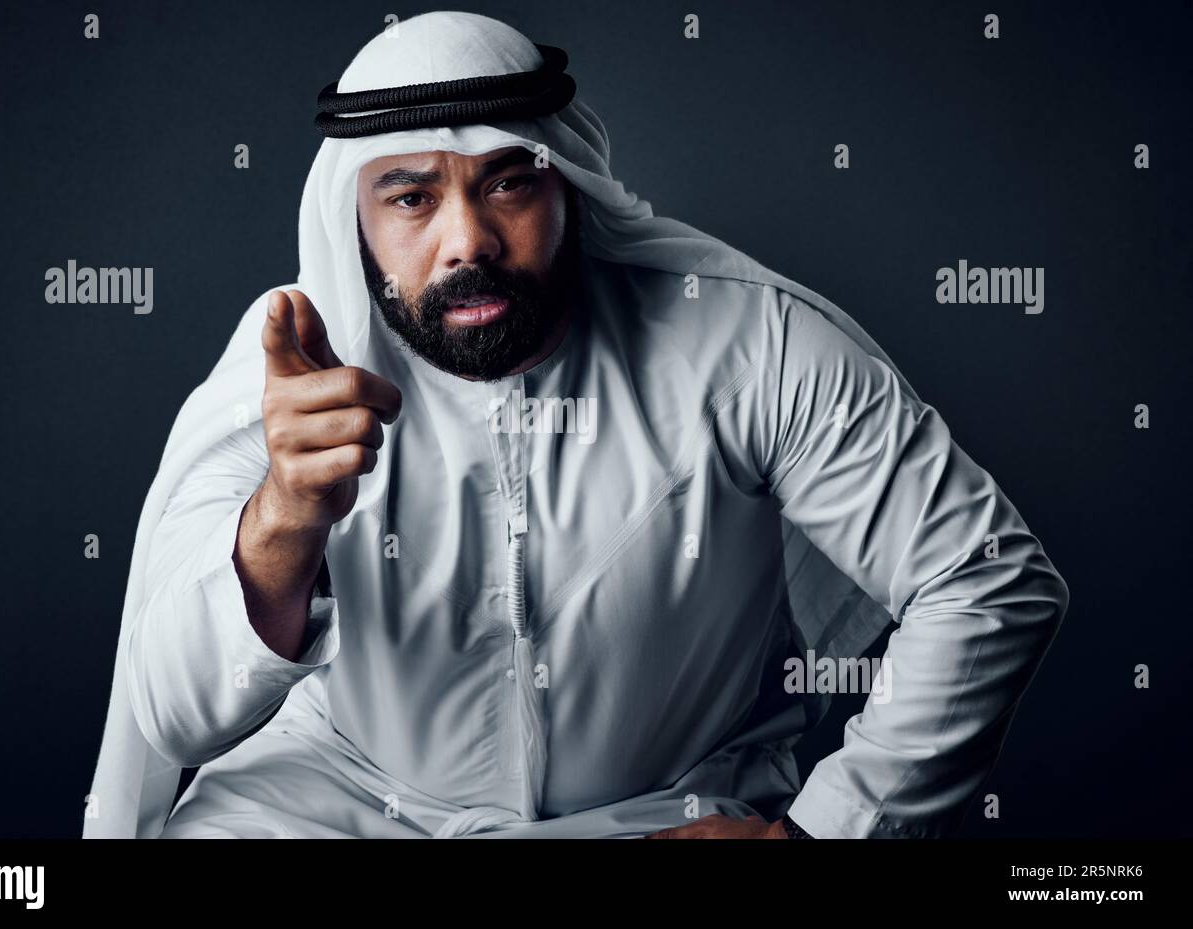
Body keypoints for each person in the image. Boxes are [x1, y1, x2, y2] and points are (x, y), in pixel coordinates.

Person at [83, 11, 1069, 839]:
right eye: (412, 197)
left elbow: (985, 577)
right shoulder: (295, 364)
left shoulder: (748, 341)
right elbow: (175, 709)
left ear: (569, 185)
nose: (465, 238)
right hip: (343, 801)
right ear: (356, 221)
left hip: (652, 814)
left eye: (507, 182)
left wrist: (821, 832)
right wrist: (288, 512)